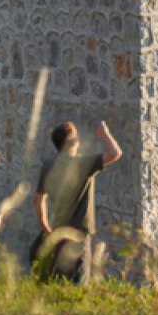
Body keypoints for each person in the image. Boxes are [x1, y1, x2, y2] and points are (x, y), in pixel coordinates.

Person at [30, 119, 122, 282]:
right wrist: (104, 133)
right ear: (70, 142)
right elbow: (115, 153)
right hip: (79, 234)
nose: (78, 140)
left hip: (58, 232)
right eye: (75, 137)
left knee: (59, 280)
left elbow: (38, 200)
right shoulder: (82, 164)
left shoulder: (48, 165)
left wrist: (45, 226)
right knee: (78, 281)